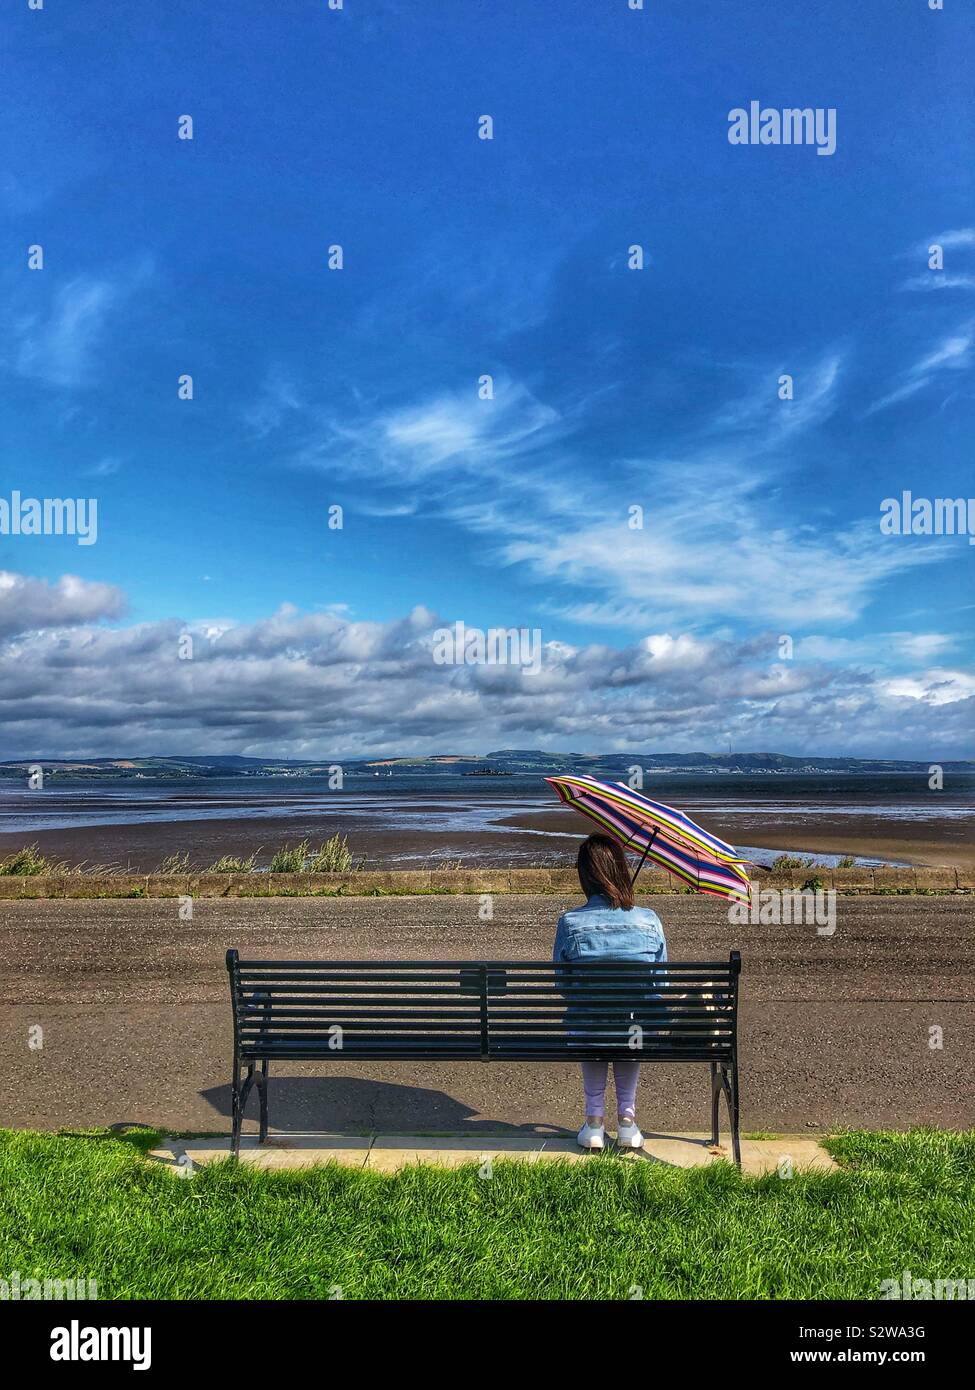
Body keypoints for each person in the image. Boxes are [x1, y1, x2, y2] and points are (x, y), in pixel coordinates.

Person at [553, 833, 668, 1151]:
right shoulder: (649, 920)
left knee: (590, 1021)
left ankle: (593, 1123)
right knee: (633, 1022)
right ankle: (627, 1123)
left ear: (585, 877)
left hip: (588, 1027)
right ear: (621, 871)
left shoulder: (570, 922)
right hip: (635, 1030)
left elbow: (562, 985)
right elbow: (660, 984)